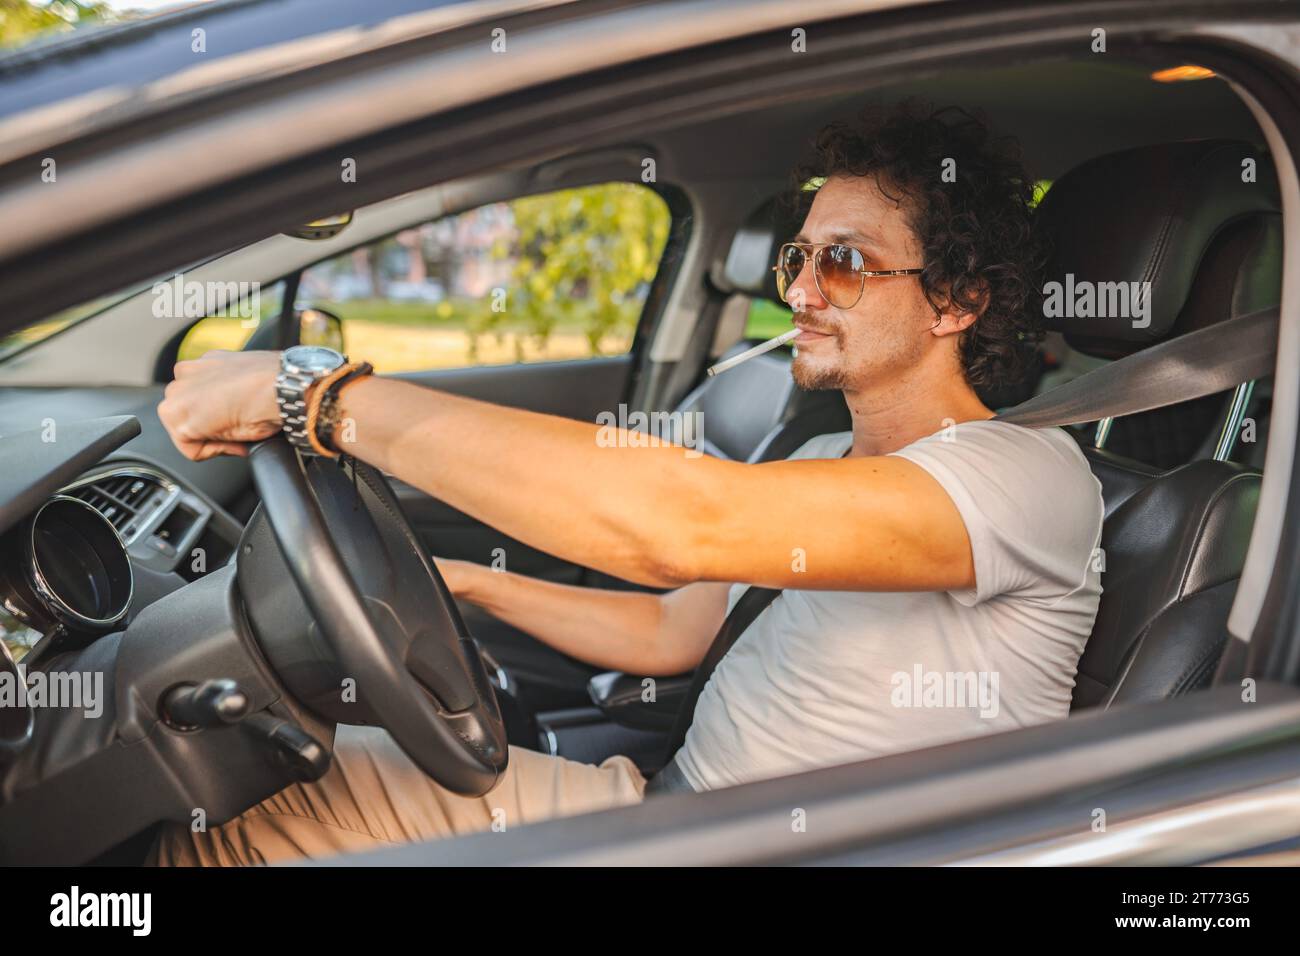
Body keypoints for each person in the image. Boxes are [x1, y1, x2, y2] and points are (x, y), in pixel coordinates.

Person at [152, 103, 1104, 865]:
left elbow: (678, 521)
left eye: (846, 263)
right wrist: (461, 585)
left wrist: (318, 399)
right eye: (800, 257)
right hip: (670, 813)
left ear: (958, 301)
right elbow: (669, 630)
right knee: (261, 780)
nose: (803, 293)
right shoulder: (821, 469)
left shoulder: (1021, 479)